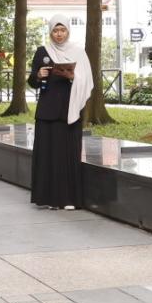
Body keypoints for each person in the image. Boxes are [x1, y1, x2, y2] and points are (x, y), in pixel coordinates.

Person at [28, 21, 92, 209]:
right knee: (47, 156)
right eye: (55, 30)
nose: (59, 34)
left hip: (69, 110)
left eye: (62, 30)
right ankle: (47, 198)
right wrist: (38, 75)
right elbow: (32, 81)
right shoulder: (43, 51)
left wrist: (73, 77)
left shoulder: (78, 52)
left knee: (67, 155)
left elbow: (88, 80)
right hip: (47, 110)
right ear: (50, 32)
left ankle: (68, 199)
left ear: (68, 31)